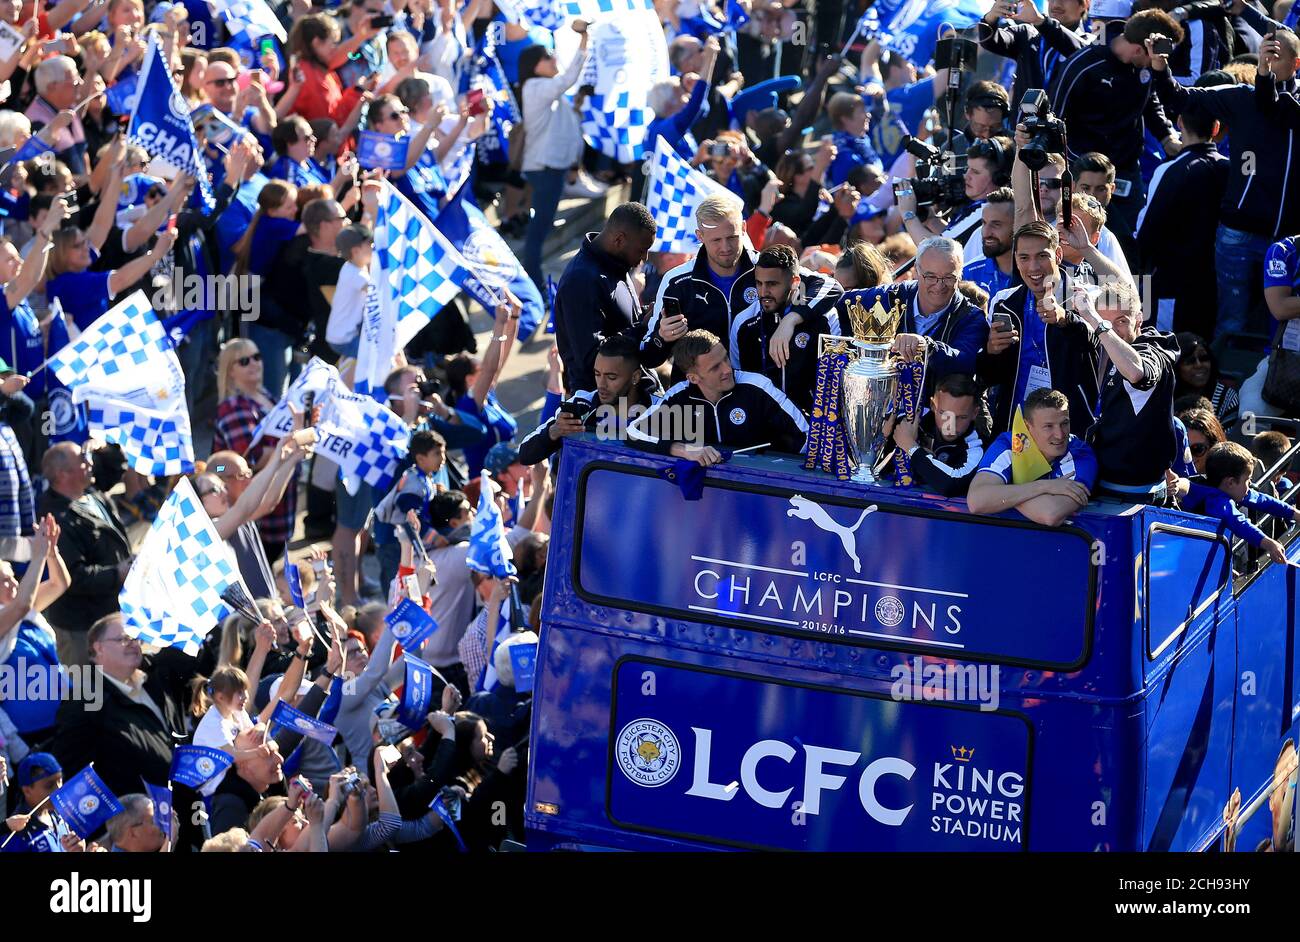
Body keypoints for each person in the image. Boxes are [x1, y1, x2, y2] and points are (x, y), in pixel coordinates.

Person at [1148, 27, 1300, 338]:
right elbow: (1180, 98)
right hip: (1239, 234)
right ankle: (1224, 385)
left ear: (1297, 63)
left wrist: (1264, 76)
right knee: (1232, 324)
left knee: (1284, 330)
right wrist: (1160, 67)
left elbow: (1274, 104)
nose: (1268, 59)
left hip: (1289, 241)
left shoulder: (1294, 108)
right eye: (1264, 52)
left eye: (1275, 55)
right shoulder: (1240, 98)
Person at [1048, 9, 1185, 239]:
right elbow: (1054, 119)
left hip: (1126, 168)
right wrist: (1074, 165)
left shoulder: (1146, 67)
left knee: (1129, 238)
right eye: (1156, 55)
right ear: (1140, 49)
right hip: (1083, 172)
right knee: (1079, 237)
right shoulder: (1084, 64)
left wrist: (1166, 136)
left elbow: (1150, 101)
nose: (1160, 61)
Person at [48, 614, 202, 800]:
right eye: (123, 639)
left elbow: (193, 660)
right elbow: (71, 773)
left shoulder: (157, 680)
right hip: (135, 819)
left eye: (135, 638)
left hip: (183, 805)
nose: (132, 643)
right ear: (98, 648)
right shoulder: (85, 702)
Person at [980, 221, 1101, 437]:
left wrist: (1065, 320)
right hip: (1016, 427)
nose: (1033, 267)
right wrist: (991, 350)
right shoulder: (1004, 302)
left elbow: (1096, 343)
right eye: (1024, 258)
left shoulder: (1086, 297)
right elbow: (990, 377)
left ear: (1058, 254)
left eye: (1042, 256)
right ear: (1015, 260)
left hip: (1070, 432)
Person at [627, 328, 809, 462]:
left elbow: (808, 436)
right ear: (693, 378)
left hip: (756, 489)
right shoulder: (679, 396)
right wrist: (684, 450)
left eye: (725, 358)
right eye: (715, 367)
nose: (727, 369)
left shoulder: (757, 386)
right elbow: (633, 432)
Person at [1071, 280, 1181, 499]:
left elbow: (1137, 372)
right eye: (1105, 322)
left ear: (1138, 319)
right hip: (1096, 480)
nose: (1111, 330)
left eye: (1121, 322)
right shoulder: (1097, 348)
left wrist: (1096, 320)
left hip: (1136, 495)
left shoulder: (1153, 349)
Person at [838, 237, 990, 393]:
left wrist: (928, 347)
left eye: (949, 277)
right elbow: (839, 303)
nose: (939, 285)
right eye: (930, 276)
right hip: (883, 407)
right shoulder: (892, 296)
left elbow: (966, 362)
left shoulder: (971, 317)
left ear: (960, 274)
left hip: (936, 414)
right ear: (917, 270)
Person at [1135, 103, 1228, 337]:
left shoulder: (1170, 170)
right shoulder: (1230, 168)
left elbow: (1146, 231)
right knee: (1203, 350)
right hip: (1217, 283)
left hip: (1172, 283)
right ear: (1216, 128)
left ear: (1180, 123)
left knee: (1170, 349)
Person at [35, 443, 132, 668]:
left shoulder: (92, 495)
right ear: (63, 474)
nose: (90, 463)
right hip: (81, 629)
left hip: (109, 614)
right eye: (82, 459)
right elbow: (73, 577)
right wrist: (117, 573)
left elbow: (117, 466)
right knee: (84, 694)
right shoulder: (56, 518)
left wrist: (106, 445)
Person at [642, 195, 758, 374]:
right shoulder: (676, 281)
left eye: (732, 237)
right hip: (697, 394)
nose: (726, 247)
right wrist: (662, 336)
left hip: (760, 391)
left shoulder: (765, 267)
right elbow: (649, 356)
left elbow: (815, 286)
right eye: (716, 240)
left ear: (743, 228)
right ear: (700, 236)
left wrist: (793, 317)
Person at [552, 202, 657, 394]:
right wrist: (642, 328)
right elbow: (592, 358)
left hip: (630, 394)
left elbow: (619, 325)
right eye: (642, 250)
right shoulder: (581, 281)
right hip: (602, 406)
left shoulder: (618, 262)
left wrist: (645, 317)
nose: (645, 257)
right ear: (619, 240)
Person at [518, 20, 590, 291]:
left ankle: (534, 282)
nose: (554, 58)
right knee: (538, 231)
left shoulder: (546, 90)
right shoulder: (534, 87)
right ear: (535, 64)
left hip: (553, 167)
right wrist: (584, 38)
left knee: (542, 226)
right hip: (543, 167)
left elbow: (568, 126)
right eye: (548, 56)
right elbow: (569, 77)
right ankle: (533, 284)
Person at [212, 338, 297, 564]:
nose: (254, 364)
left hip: (277, 503)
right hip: (256, 514)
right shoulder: (232, 406)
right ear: (230, 371)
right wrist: (289, 444)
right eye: (244, 361)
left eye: (257, 357)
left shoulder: (266, 395)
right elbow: (249, 458)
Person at [519, 334, 663, 467]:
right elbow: (525, 455)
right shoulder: (581, 406)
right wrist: (554, 431)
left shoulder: (661, 410)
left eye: (611, 377)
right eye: (597, 374)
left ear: (635, 377)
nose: (602, 384)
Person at [733, 244, 844, 412]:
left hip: (814, 425)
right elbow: (740, 380)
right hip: (766, 425)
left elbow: (835, 379)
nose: (763, 292)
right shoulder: (743, 323)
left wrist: (789, 320)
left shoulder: (824, 318)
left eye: (772, 284)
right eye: (759, 283)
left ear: (795, 282)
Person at [968, 387, 1099, 526]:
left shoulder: (1080, 454)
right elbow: (977, 501)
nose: (1060, 435)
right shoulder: (1010, 444)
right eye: (1048, 426)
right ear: (1027, 426)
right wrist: (1044, 487)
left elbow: (1050, 514)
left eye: (1064, 423)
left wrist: (1005, 492)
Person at [0, 515, 69, 746]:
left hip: (66, 716)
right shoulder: (17, 610)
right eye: (3, 581)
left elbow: (60, 584)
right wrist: (38, 555)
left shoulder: (25, 610)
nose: (13, 584)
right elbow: (22, 604)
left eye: (12, 578)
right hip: (29, 734)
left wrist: (51, 552)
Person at [1171, 441, 1300, 562]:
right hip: (1193, 555)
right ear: (1231, 482)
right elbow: (1239, 523)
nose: (1250, 485)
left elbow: (1262, 500)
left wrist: (1293, 513)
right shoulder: (1218, 501)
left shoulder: (1228, 488)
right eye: (1247, 480)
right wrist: (1269, 544)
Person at [879, 373, 989, 497]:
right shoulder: (907, 420)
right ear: (933, 406)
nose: (950, 425)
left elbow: (951, 485)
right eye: (944, 413)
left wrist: (912, 448)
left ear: (975, 413)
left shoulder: (977, 447)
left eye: (961, 417)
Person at [978, 0, 1091, 113]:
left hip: (1065, 128)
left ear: (1085, 4)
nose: (1056, 4)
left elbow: (1081, 53)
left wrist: (1041, 21)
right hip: (1022, 128)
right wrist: (990, 18)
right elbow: (991, 42)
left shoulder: (1091, 43)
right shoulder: (1028, 35)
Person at [1, 752, 74, 853]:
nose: (58, 789)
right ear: (27, 790)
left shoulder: (62, 813)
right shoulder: (17, 835)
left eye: (60, 780)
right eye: (49, 785)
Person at [1174, 333, 1241, 427]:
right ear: (1176, 368)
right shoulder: (1164, 397)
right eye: (1189, 361)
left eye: (1204, 358)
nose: (1198, 365)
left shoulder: (1226, 398)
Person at [962, 187, 1016, 301]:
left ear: (1017, 226)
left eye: (996, 224)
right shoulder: (968, 274)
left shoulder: (1034, 271)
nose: (986, 233)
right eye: (984, 223)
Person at [1179, 407, 1228, 475]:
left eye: (1198, 449)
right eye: (1183, 449)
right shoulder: (1166, 481)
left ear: (1215, 448)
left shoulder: (1230, 482)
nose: (1189, 456)